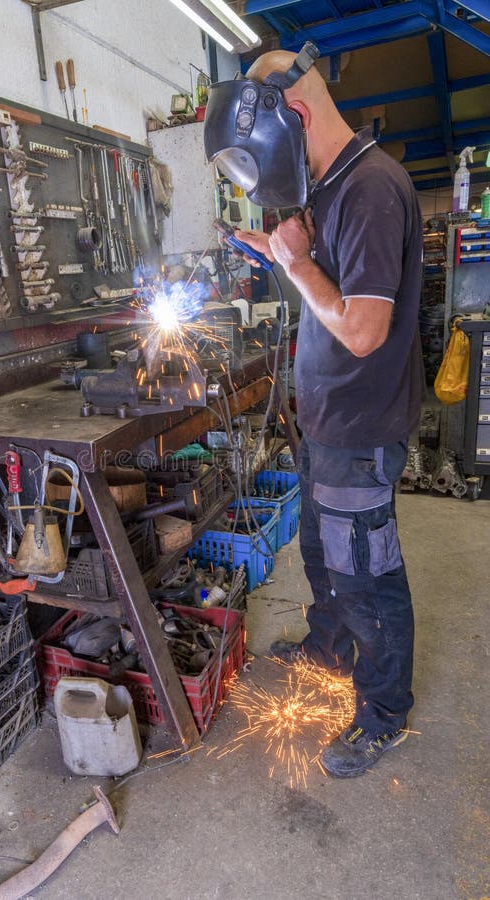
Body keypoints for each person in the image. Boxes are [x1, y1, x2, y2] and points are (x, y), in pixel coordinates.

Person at [204, 48, 424, 777]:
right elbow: (334, 287)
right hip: (329, 420)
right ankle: (329, 645)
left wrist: (296, 266)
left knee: (366, 575)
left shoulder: (368, 190)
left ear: (293, 116)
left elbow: (362, 328)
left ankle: (385, 712)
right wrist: (280, 253)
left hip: (362, 429)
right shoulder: (328, 192)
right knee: (322, 555)